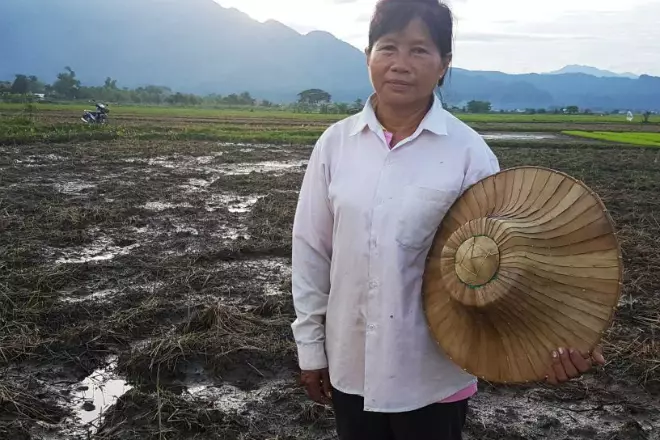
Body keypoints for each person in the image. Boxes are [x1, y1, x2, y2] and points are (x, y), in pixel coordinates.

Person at [290, 0, 606, 438]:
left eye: (420, 50)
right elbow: (311, 251)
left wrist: (556, 339)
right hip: (351, 364)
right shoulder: (335, 145)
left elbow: (512, 260)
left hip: (434, 374)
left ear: (444, 64)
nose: (400, 64)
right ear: (367, 57)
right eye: (388, 47)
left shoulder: (469, 153)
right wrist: (311, 348)